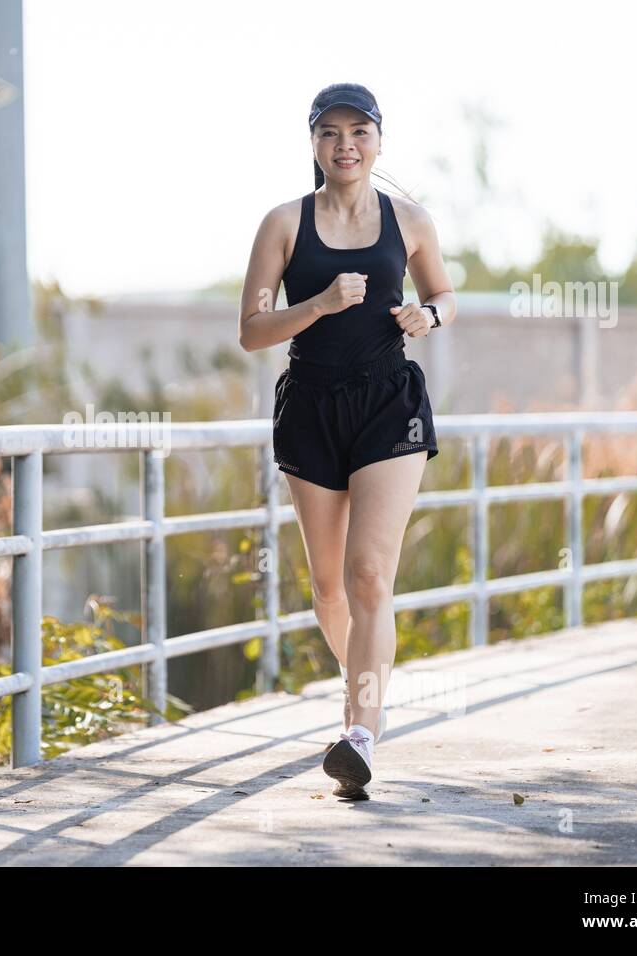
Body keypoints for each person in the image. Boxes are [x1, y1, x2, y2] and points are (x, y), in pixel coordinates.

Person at [238, 83, 456, 799]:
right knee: (329, 588)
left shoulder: (410, 219)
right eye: (330, 133)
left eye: (358, 132)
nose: (345, 145)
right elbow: (251, 331)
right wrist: (320, 304)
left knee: (369, 576)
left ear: (378, 141)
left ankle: (360, 734)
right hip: (311, 406)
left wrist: (428, 314)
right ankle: (368, 686)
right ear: (313, 143)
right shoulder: (282, 224)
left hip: (388, 405)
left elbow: (445, 295)